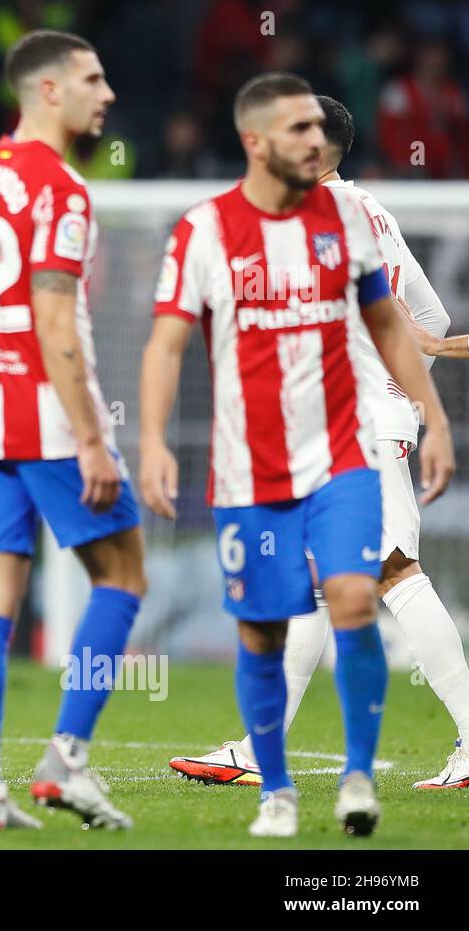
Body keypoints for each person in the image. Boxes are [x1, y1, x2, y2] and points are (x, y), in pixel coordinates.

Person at [138, 74, 455, 838]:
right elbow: (432, 321)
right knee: (323, 587)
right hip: (356, 420)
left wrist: (391, 402)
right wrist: (410, 398)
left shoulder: (328, 214)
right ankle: (256, 748)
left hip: (357, 422)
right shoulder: (364, 209)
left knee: (392, 570)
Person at [0, 30, 144, 831]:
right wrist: (93, 438)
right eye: (94, 78)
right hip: (48, 418)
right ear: (50, 91)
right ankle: (66, 760)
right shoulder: (61, 189)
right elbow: (55, 321)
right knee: (124, 577)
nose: (109, 93)